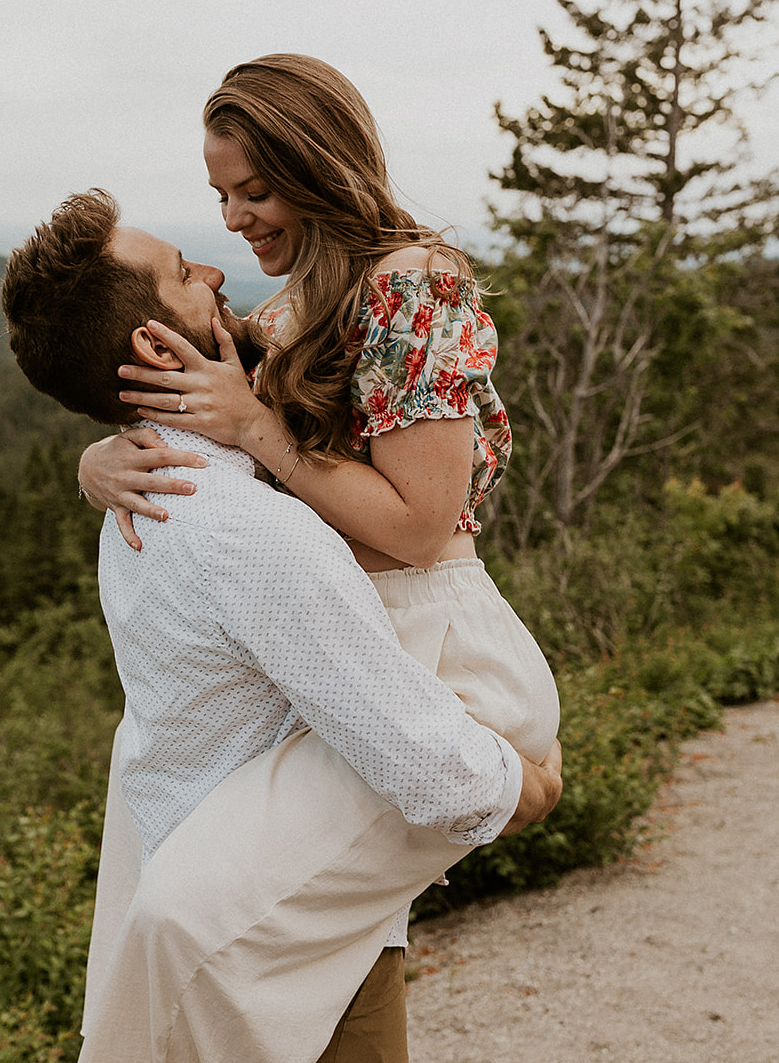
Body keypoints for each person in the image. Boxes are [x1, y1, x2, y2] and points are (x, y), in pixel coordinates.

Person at [1, 190, 562, 1063]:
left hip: (237, 912)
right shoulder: (249, 533)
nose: (215, 264)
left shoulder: (148, 502)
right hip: (293, 954)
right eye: (181, 266)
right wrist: (528, 785)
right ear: (159, 339)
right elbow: (419, 758)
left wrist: (97, 451)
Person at [78, 55, 560, 965]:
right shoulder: (299, 304)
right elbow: (203, 421)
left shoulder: (412, 284)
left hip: (432, 646)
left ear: (319, 168)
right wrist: (99, 459)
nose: (232, 220)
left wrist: (262, 428)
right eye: (220, 195)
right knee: (175, 876)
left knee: (200, 926)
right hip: (353, 657)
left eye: (254, 191)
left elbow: (419, 528)